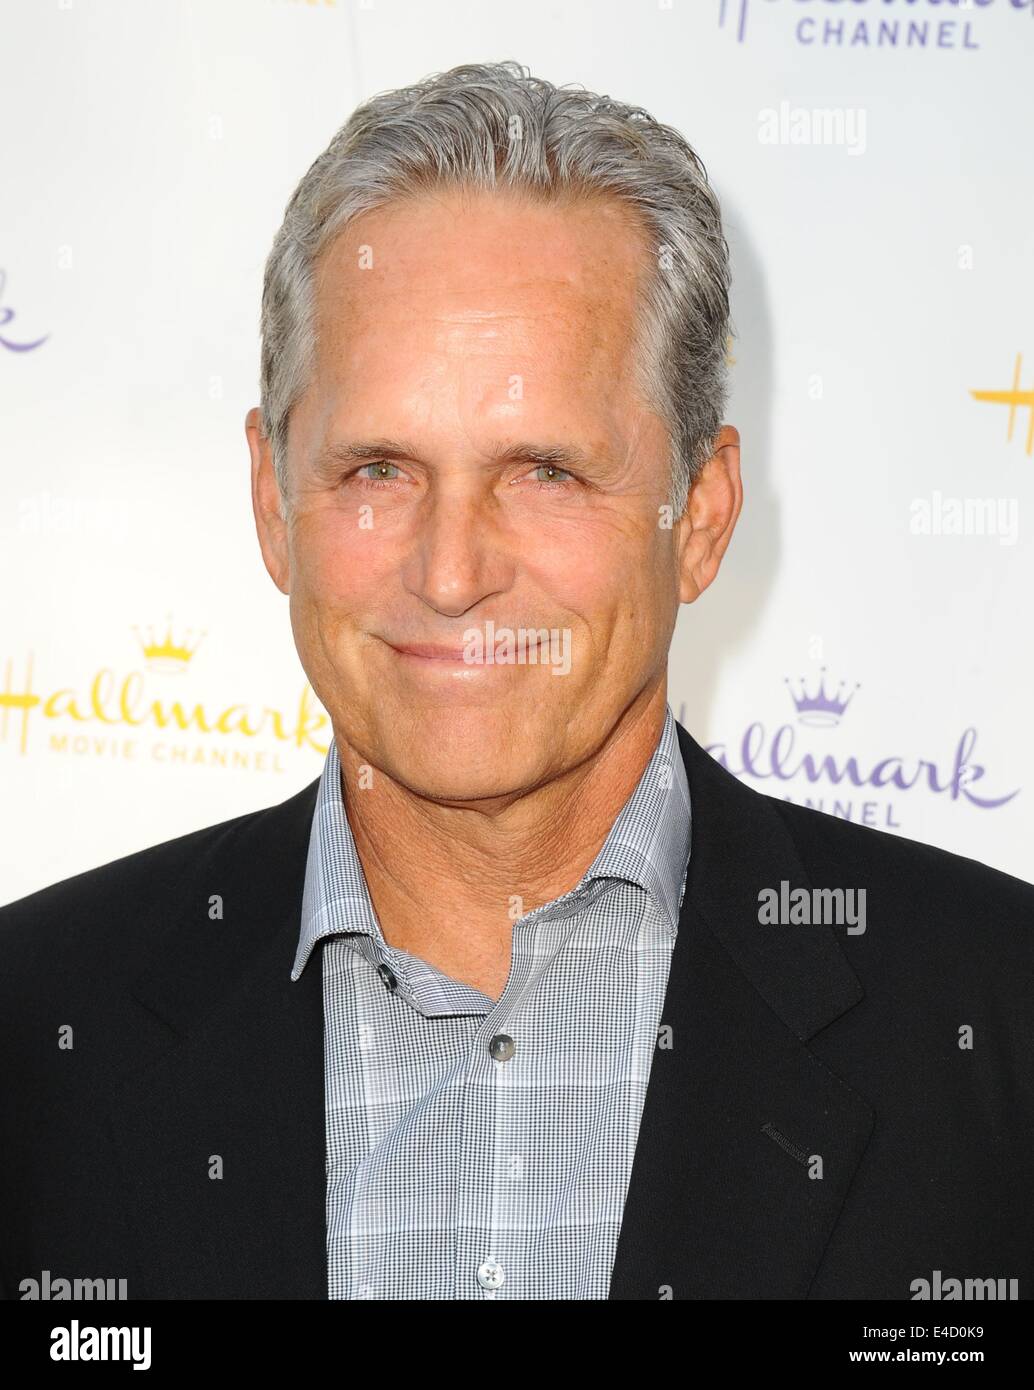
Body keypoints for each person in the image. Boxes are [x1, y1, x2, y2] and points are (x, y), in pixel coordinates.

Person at [2, 61, 1031, 1302]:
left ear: (699, 514)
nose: (449, 572)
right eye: (377, 469)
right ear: (272, 502)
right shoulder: (35, 1030)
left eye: (543, 470)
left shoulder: (994, 1019)